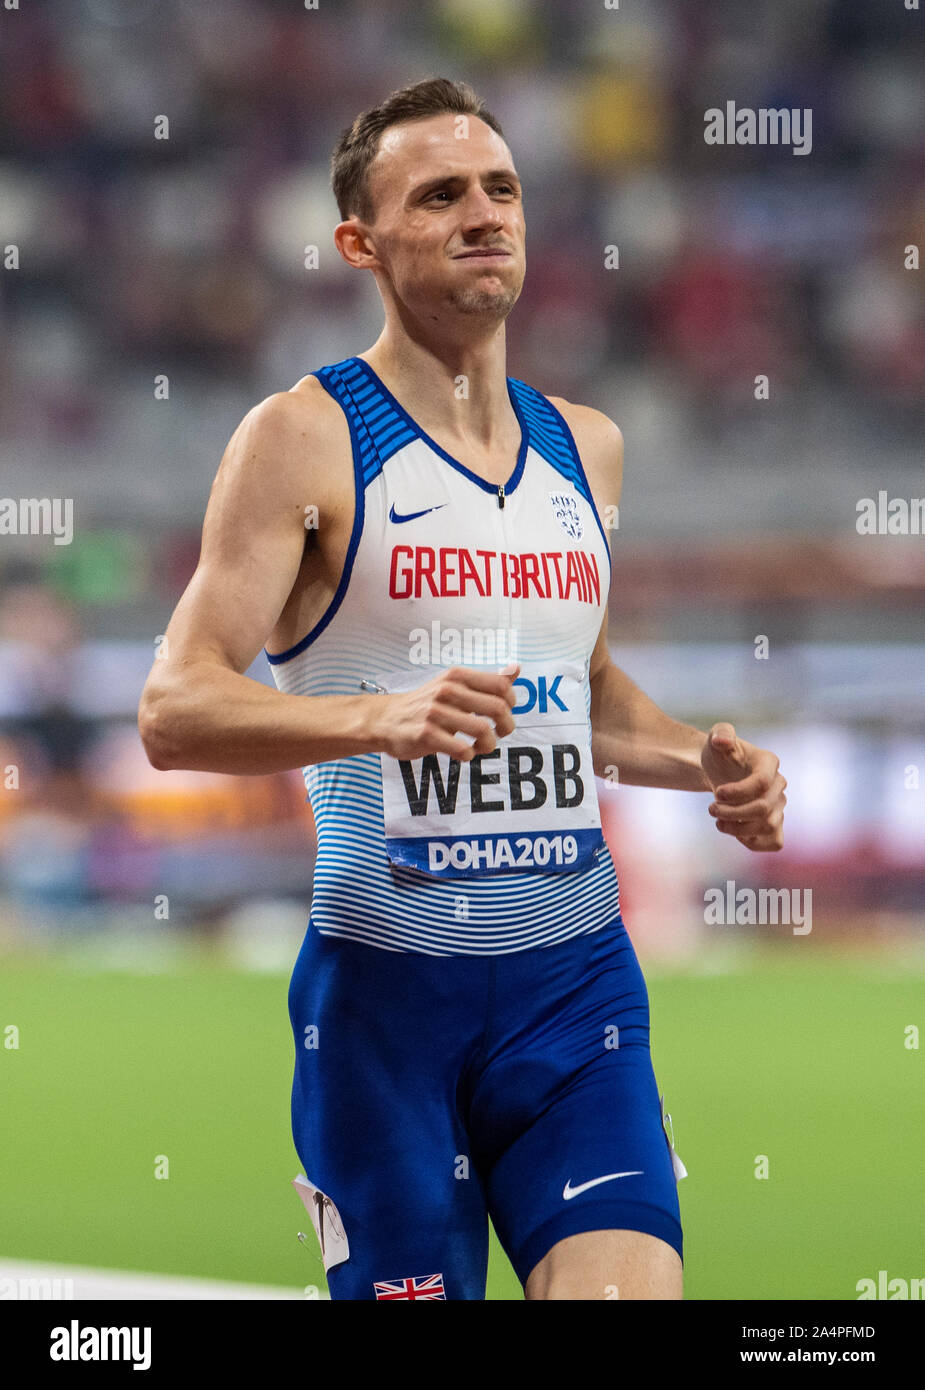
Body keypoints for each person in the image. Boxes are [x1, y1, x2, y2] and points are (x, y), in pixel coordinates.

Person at [138, 78, 787, 1301]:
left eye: (501, 188)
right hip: (384, 1008)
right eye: (439, 195)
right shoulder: (303, 436)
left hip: (576, 985)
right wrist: (374, 717)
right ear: (360, 244)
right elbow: (175, 707)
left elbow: (582, 694)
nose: (484, 213)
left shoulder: (586, 445)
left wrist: (704, 757)